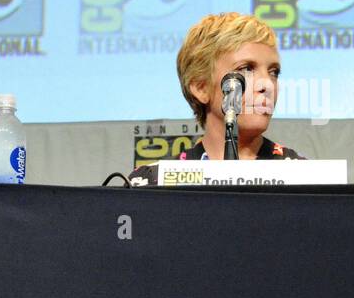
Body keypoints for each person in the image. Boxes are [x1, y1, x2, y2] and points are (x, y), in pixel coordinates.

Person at [129, 12, 302, 186]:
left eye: (273, 72)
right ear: (201, 87)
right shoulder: (152, 183)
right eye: (246, 69)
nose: (267, 85)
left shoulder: (305, 177)